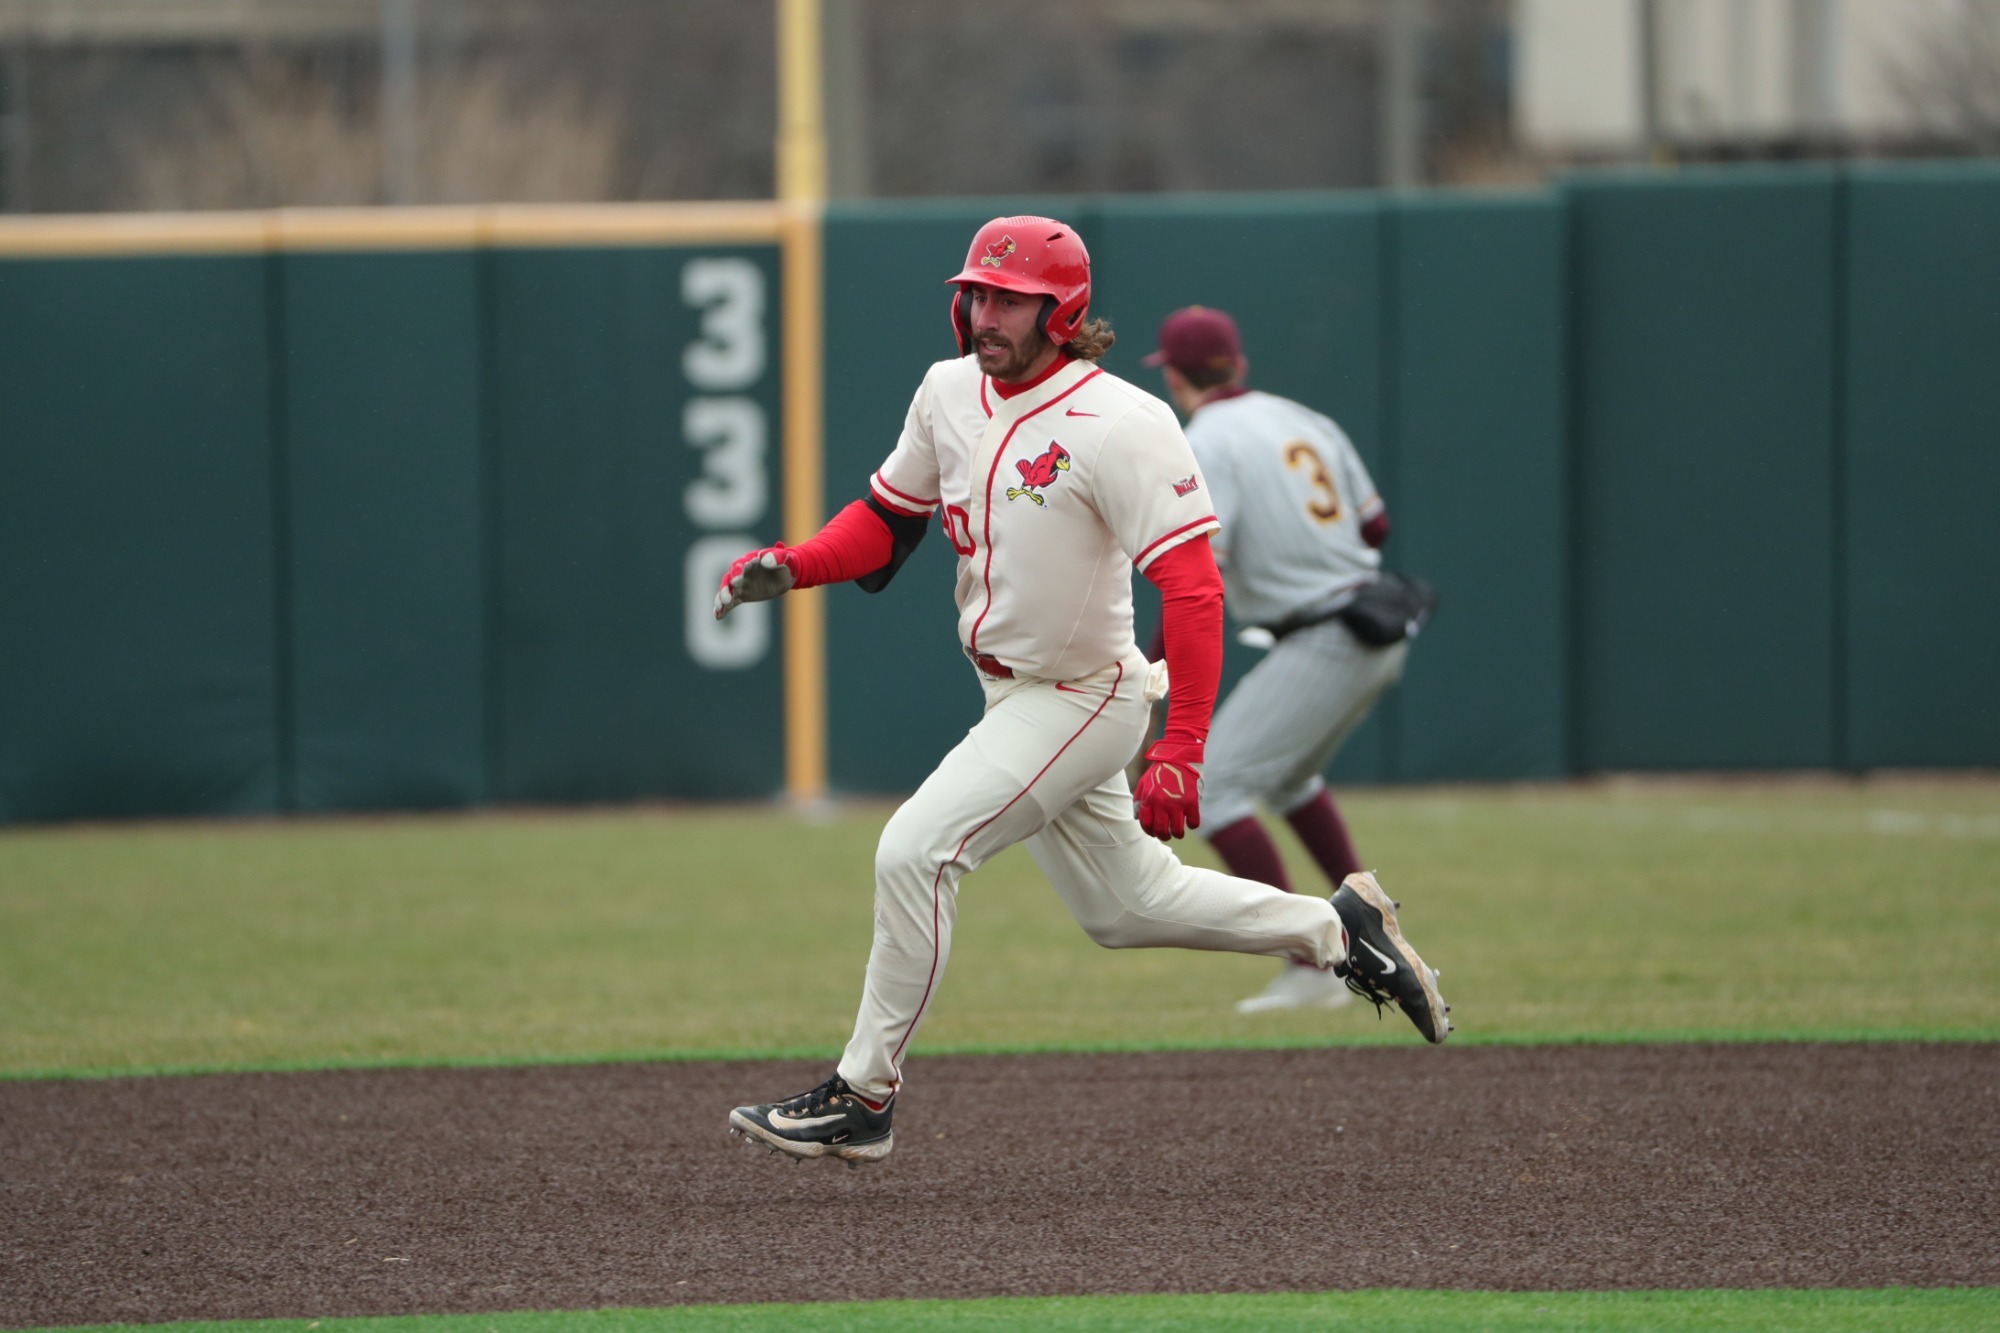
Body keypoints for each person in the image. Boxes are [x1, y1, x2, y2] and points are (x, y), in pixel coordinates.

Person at [712, 218, 1449, 1169]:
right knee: (1127, 906)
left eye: (1010, 298)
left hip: (1083, 698)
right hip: (1010, 694)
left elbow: (1193, 587)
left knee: (916, 851)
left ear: (1061, 312)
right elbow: (890, 519)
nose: (986, 313)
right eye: (978, 292)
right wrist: (800, 564)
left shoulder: (1126, 421)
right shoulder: (947, 391)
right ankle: (1335, 929)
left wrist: (1181, 746)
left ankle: (864, 1095)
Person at [1142, 305, 1425, 1015]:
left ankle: (1310, 959)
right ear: (1237, 364)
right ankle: (1376, 933)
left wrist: (1150, 668)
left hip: (1324, 630)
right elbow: (1375, 522)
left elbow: (1203, 567)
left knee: (1213, 789)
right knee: (1292, 779)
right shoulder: (1305, 418)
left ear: (1175, 375)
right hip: (1374, 617)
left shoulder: (1205, 438)